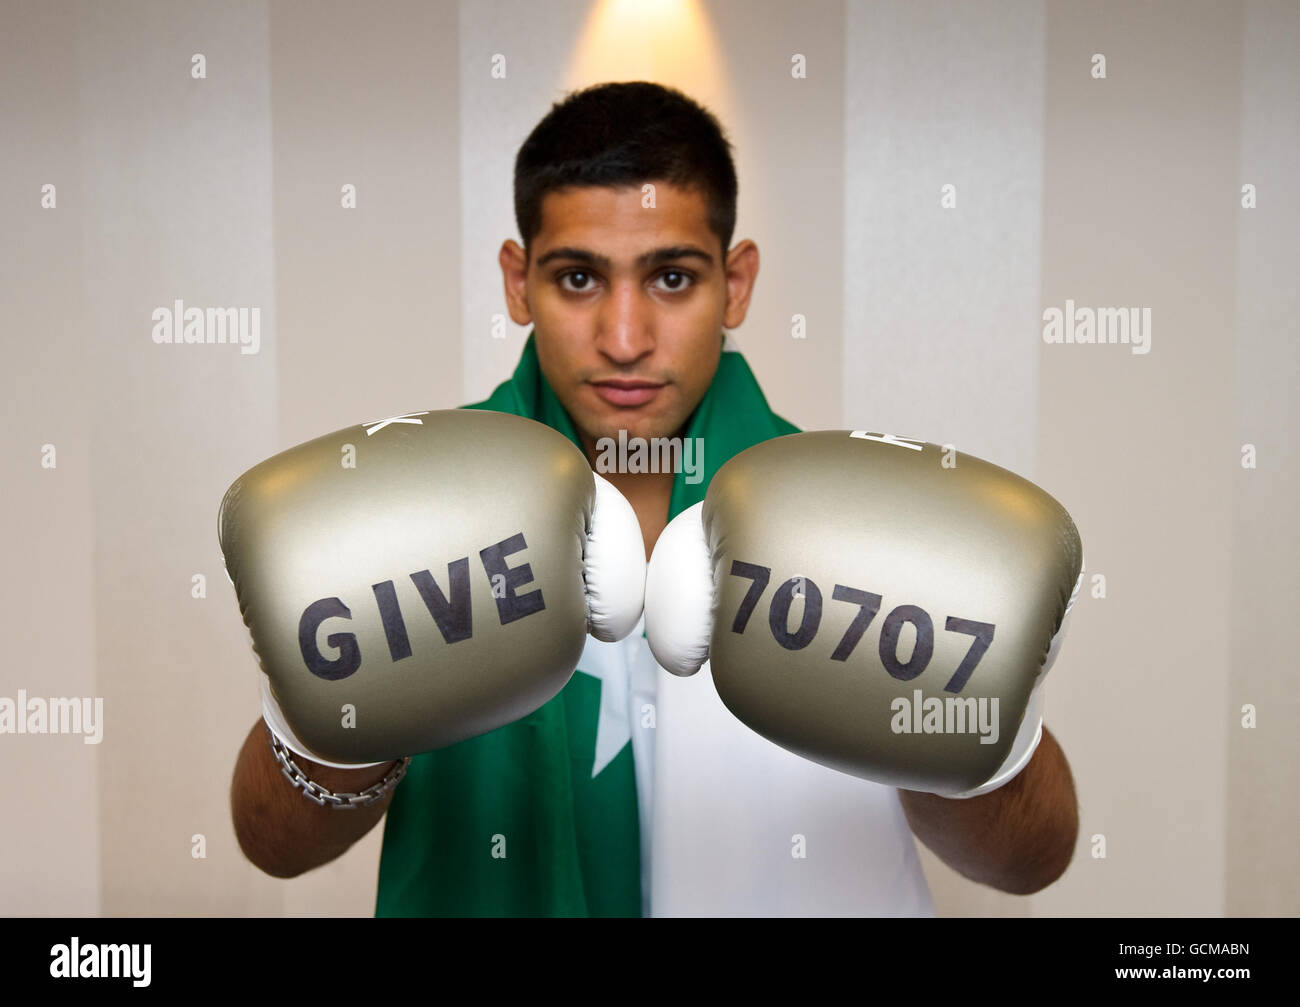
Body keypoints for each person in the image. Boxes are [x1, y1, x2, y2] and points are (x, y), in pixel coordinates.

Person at [230, 81, 1079, 916]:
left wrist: (970, 733)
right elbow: (274, 844)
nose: (626, 338)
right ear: (517, 281)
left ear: (736, 283)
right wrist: (325, 717)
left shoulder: (852, 524)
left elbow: (1029, 861)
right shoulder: (418, 508)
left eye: (671, 278)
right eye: (578, 279)